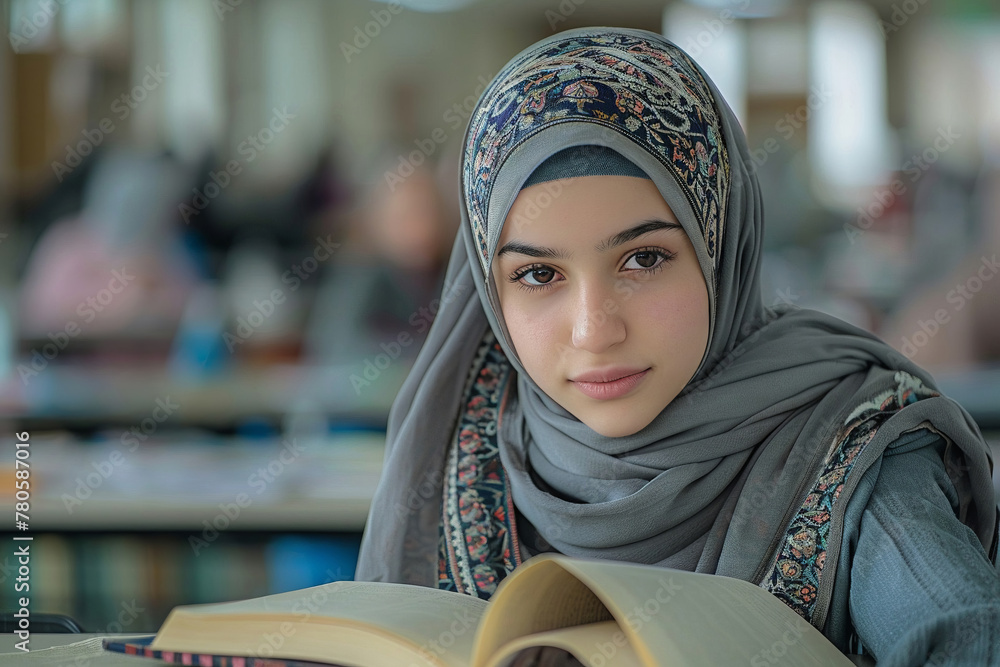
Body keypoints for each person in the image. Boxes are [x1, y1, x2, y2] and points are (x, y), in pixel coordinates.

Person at [354, 27, 999, 665]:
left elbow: (965, 633)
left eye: (643, 259)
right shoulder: (463, 436)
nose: (594, 330)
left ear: (722, 251)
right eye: (538, 274)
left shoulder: (852, 445)